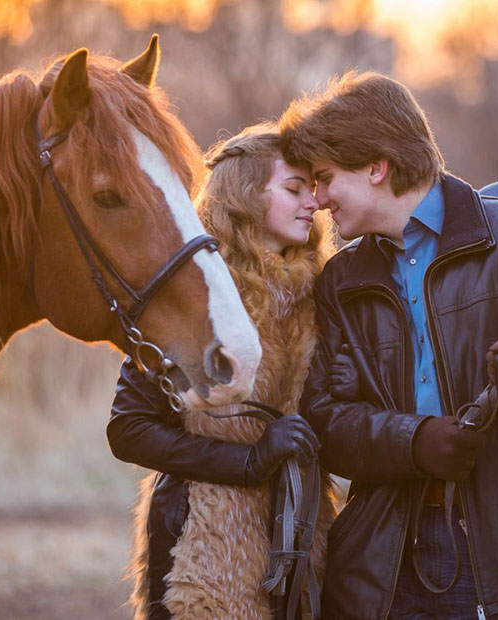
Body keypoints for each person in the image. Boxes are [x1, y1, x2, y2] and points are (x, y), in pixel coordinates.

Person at [281, 72, 498, 619]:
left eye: (323, 178)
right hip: (387, 558)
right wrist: (415, 441)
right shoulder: (339, 281)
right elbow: (324, 421)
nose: (316, 200)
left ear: (376, 167)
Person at [107, 123, 336, 619]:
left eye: (312, 190)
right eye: (293, 189)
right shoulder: (194, 298)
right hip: (203, 548)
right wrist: (248, 462)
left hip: (300, 543)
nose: (312, 203)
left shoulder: (324, 292)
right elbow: (128, 429)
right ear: (247, 196)